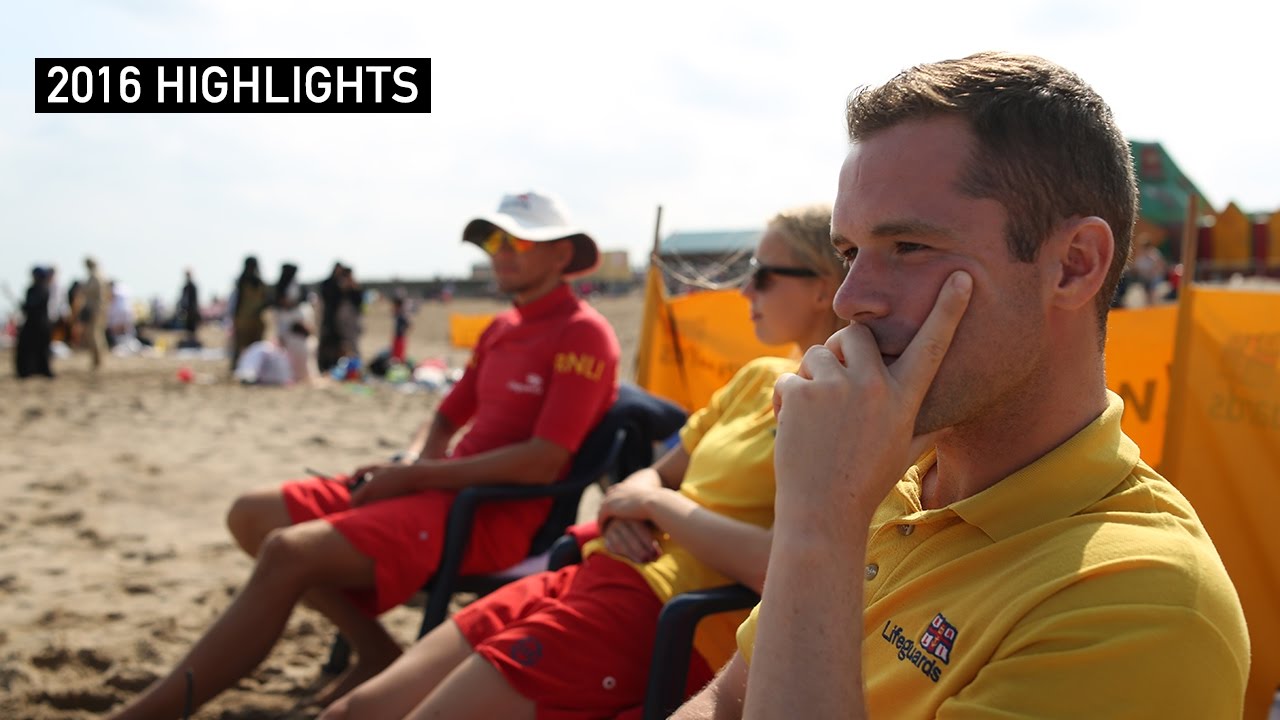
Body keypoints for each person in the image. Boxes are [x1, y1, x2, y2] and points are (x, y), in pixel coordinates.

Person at [675, 52, 1249, 719]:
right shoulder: (888, 478)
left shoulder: (1150, 602)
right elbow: (729, 696)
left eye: (909, 247)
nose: (850, 300)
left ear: (1072, 265)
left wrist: (818, 524)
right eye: (850, 253)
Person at [107, 190, 620, 719]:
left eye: (516, 239)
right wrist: (413, 462)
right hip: (440, 490)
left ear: (562, 254)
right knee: (251, 514)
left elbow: (544, 461)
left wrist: (421, 475)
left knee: (289, 551)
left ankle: (147, 715)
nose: (500, 251)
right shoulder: (503, 327)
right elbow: (445, 416)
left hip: (488, 514)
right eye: (492, 239)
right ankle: (375, 649)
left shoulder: (584, 333)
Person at [319, 204, 844, 720]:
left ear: (823, 287)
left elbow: (781, 565)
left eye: (763, 275)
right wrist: (628, 507)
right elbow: (656, 473)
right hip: (595, 568)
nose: (744, 290)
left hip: (669, 614)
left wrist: (655, 508)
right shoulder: (758, 378)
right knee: (356, 710)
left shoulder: (845, 414)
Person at [229, 256, 269, 370]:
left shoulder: (243, 281)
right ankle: (253, 368)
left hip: (244, 319)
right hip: (256, 319)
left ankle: (240, 368)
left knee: (242, 346)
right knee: (255, 347)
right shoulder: (259, 282)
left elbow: (239, 301)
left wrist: (235, 317)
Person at [14, 266, 55, 378]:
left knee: (38, 348)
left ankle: (36, 370)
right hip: (39, 324)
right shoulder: (40, 289)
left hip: (37, 324)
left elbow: (31, 306)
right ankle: (31, 370)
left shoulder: (39, 289)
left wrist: (25, 306)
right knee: (33, 348)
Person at [81, 256, 108, 369]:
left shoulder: (96, 277)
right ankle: (96, 360)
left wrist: (98, 311)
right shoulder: (95, 276)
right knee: (94, 335)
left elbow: (101, 297)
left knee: (94, 335)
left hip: (95, 310)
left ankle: (98, 360)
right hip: (93, 309)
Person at [178, 269, 200, 342]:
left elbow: (195, 299)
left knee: (192, 326)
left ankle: (193, 341)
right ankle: (189, 340)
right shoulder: (186, 287)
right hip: (187, 310)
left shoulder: (192, 286)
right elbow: (183, 299)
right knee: (188, 326)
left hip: (192, 310)